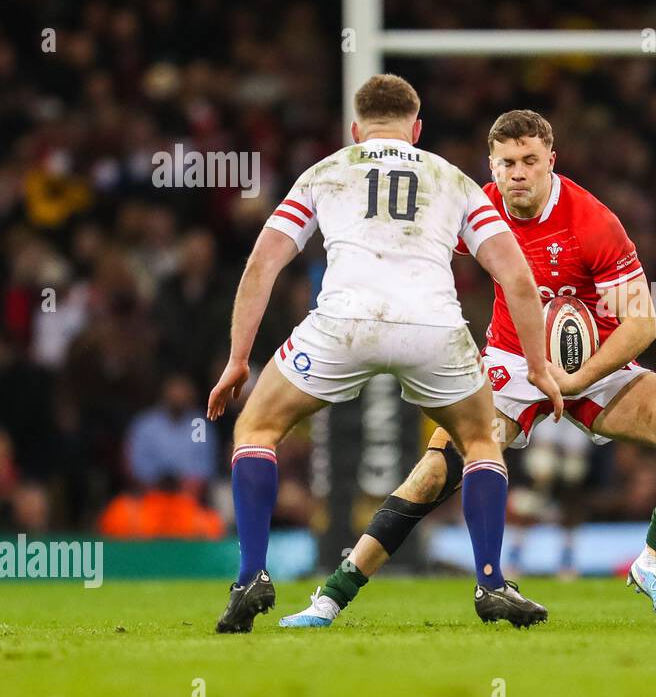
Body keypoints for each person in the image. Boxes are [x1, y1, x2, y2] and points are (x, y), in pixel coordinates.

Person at [280, 109, 656, 627]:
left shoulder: (591, 222)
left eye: (530, 160)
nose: (518, 173)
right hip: (513, 364)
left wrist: (576, 379)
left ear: (551, 161)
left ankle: (654, 563)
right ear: (492, 166)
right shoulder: (478, 209)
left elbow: (642, 324)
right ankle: (331, 599)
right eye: (507, 163)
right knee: (434, 474)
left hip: (595, 366)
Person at [206, 75, 561, 633]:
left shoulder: (325, 172)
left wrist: (237, 360)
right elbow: (516, 276)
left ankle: (251, 576)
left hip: (343, 324)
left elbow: (262, 264)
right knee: (479, 442)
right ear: (416, 130)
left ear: (356, 130)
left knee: (255, 429)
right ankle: (492, 583)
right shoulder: (452, 179)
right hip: (433, 328)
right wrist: (538, 367)